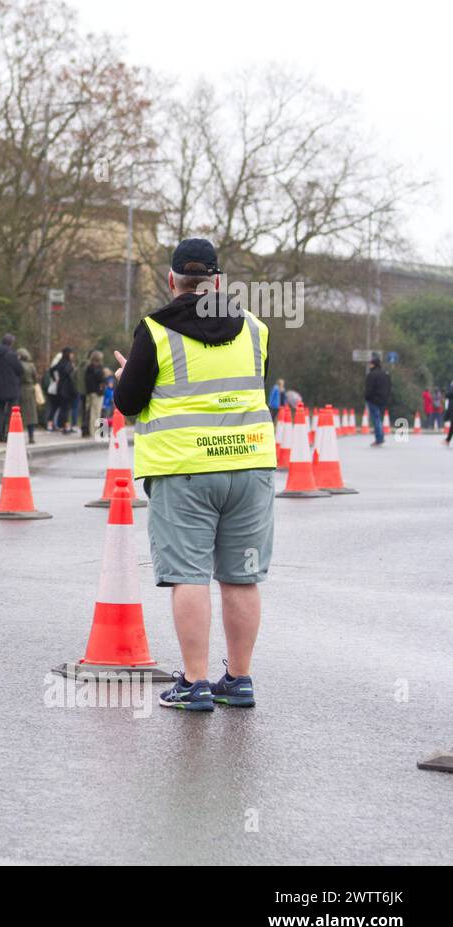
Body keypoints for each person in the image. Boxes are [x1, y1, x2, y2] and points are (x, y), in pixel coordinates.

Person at [113, 237, 275, 712]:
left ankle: (195, 683)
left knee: (189, 576)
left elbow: (127, 404)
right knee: (242, 576)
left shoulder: (155, 330)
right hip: (249, 466)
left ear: (172, 280)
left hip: (184, 470)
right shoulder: (255, 328)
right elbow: (254, 385)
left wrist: (125, 379)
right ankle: (239, 680)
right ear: (217, 281)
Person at [0, 333, 24, 441]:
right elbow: (20, 370)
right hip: (11, 388)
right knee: (11, 412)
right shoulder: (11, 355)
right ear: (11, 343)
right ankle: (8, 434)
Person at [364, 356, 391, 446]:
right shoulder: (385, 374)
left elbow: (369, 389)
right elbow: (389, 387)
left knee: (376, 419)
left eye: (370, 363)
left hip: (373, 400)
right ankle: (381, 436)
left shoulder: (371, 375)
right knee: (380, 419)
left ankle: (379, 438)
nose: (369, 365)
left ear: (373, 364)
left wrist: (367, 397)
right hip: (383, 400)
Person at [53, 346, 77, 434]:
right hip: (67, 388)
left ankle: (63, 426)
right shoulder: (68, 363)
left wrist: (55, 379)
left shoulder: (60, 362)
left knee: (63, 408)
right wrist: (72, 369)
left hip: (60, 387)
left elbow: (52, 369)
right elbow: (67, 372)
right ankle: (66, 427)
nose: (72, 355)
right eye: (71, 353)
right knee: (66, 409)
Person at [81, 350, 105, 437]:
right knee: (96, 413)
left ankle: (94, 431)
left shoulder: (89, 368)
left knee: (92, 412)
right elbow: (99, 379)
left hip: (91, 393)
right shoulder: (95, 368)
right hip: (96, 393)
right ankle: (95, 432)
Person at [17, 347, 39, 443]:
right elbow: (35, 379)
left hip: (19, 389)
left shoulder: (18, 365)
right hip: (30, 390)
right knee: (31, 414)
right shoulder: (31, 366)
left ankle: (18, 436)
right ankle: (31, 437)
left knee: (19, 414)